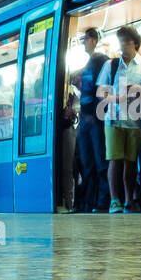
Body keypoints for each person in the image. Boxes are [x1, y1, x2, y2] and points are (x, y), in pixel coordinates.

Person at [96, 25, 141, 214]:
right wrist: (116, 98)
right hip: (113, 119)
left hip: (135, 120)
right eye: (121, 42)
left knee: (131, 162)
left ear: (135, 44)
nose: (123, 46)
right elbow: (100, 92)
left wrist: (136, 89)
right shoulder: (111, 65)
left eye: (126, 42)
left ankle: (129, 200)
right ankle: (114, 200)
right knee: (115, 160)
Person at [75, 27, 110, 213]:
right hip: (85, 119)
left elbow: (103, 90)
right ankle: (89, 201)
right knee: (87, 162)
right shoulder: (88, 63)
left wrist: (96, 115)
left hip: (96, 120)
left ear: (94, 40)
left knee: (100, 161)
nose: (83, 42)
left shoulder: (101, 60)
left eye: (86, 39)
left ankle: (102, 200)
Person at [57, 77, 79, 212]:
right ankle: (70, 204)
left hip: (74, 129)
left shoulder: (74, 94)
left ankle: (75, 202)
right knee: (69, 169)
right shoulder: (66, 93)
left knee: (76, 170)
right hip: (68, 130)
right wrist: (66, 117)